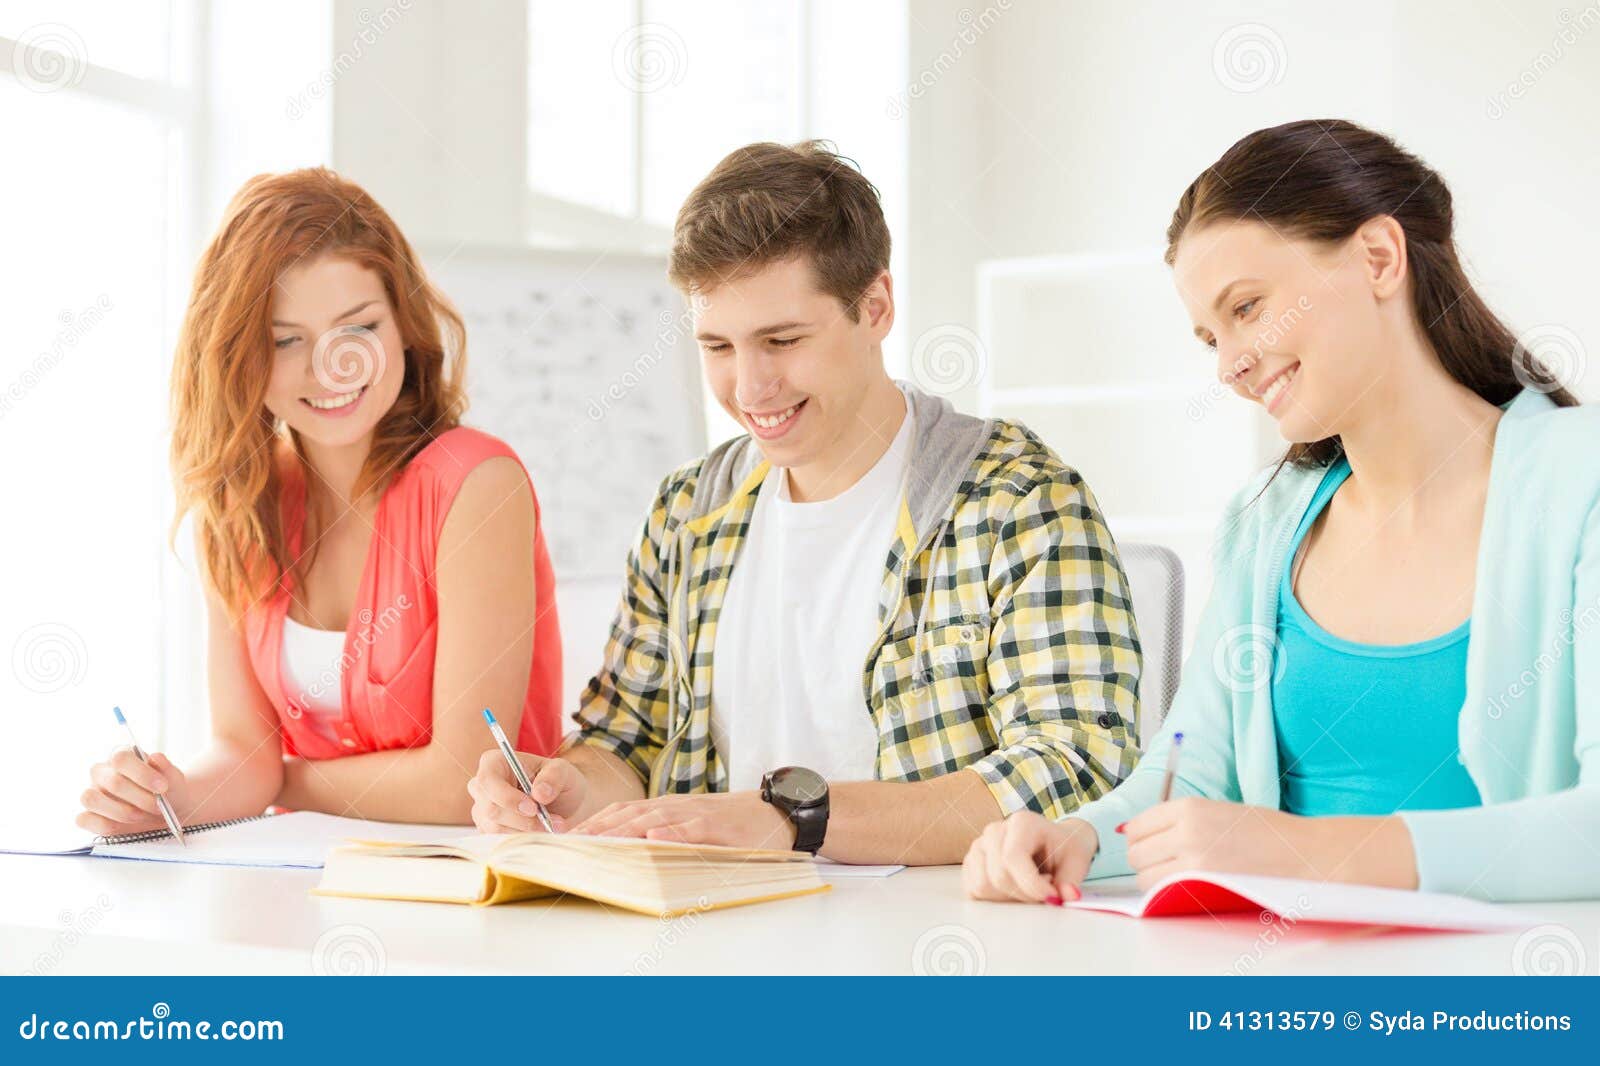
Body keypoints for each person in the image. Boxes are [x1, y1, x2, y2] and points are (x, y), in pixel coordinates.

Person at [964, 118, 1600, 904]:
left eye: (1248, 308)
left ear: (1378, 258)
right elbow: (1190, 766)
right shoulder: (1264, 525)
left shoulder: (1582, 480)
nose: (1230, 364)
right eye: (1209, 338)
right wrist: (1079, 839)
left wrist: (1308, 851)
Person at [469, 141, 1142, 864]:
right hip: (721, 935)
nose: (750, 388)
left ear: (875, 306)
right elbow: (628, 739)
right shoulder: (688, 512)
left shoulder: (1018, 503)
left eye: (781, 339)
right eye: (718, 347)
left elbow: (1076, 768)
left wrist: (795, 819)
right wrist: (572, 784)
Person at [76, 168, 564, 835]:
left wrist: (283, 778)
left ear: (403, 327)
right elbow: (242, 750)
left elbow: (462, 785)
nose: (331, 367)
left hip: (476, 900)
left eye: (357, 327)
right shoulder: (242, 501)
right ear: (240, 355)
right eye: (286, 340)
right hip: (306, 891)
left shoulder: (476, 484)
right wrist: (166, 798)